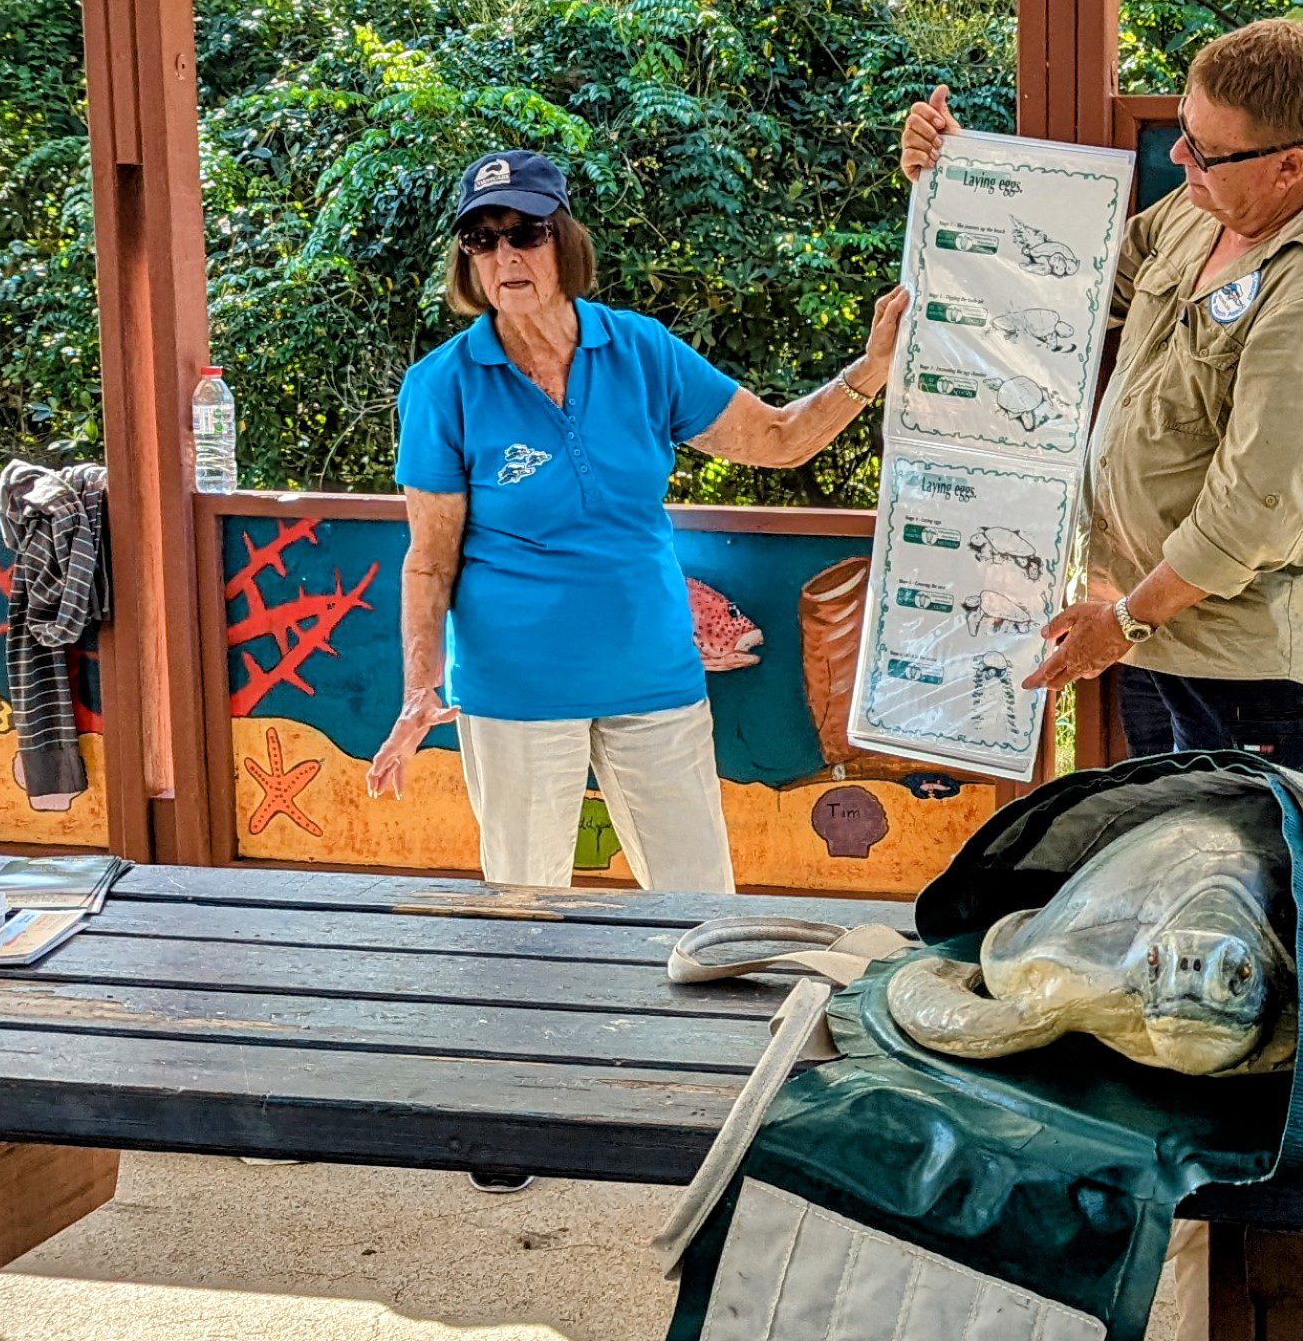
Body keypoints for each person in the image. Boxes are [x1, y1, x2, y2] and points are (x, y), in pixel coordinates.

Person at [367, 148, 908, 898]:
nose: (504, 255)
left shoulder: (641, 351)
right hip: (514, 689)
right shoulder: (441, 386)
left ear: (565, 243)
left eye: (525, 232)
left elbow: (780, 441)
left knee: (699, 909)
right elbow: (428, 561)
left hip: (654, 676)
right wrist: (416, 691)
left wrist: (871, 369)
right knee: (525, 916)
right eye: (482, 240)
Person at [900, 18, 1303, 771]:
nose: (1178, 156)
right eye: (1182, 129)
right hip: (1146, 617)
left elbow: (1249, 518)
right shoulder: (1204, 207)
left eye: (1203, 148)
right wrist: (955, 180)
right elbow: (1072, 282)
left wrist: (1123, 624)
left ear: (1288, 166)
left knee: (1225, 875)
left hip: (1241, 658)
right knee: (1158, 848)